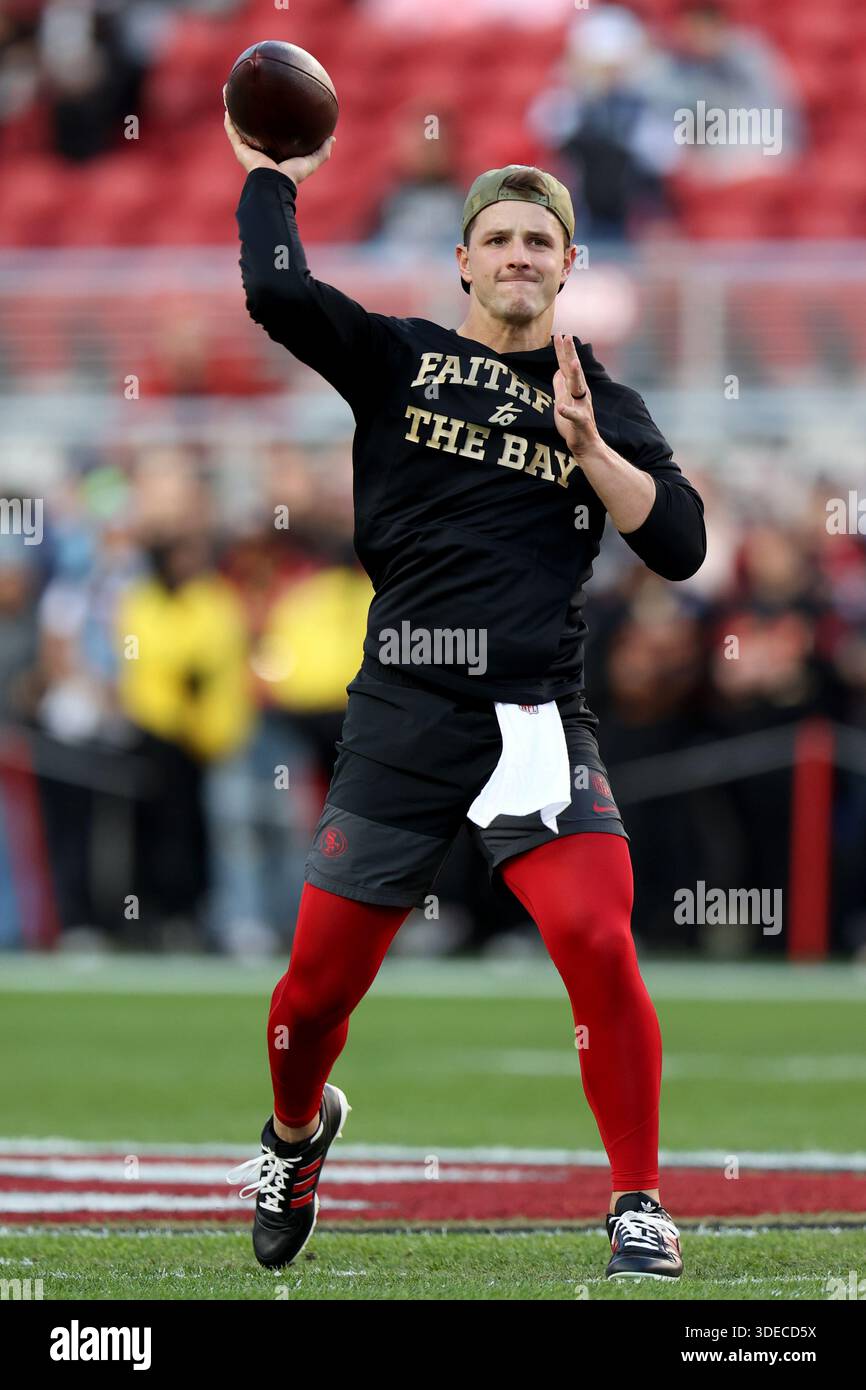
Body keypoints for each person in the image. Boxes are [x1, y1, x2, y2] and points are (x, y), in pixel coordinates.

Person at [223, 93, 706, 1281]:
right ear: (462, 259)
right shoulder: (401, 357)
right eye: (497, 237)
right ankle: (296, 1133)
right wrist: (272, 173)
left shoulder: (599, 397)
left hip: (536, 715)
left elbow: (683, 544)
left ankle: (637, 1199)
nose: (517, 255)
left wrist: (594, 454)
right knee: (311, 991)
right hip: (401, 707)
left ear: (567, 266)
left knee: (596, 936)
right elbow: (279, 295)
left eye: (538, 241)